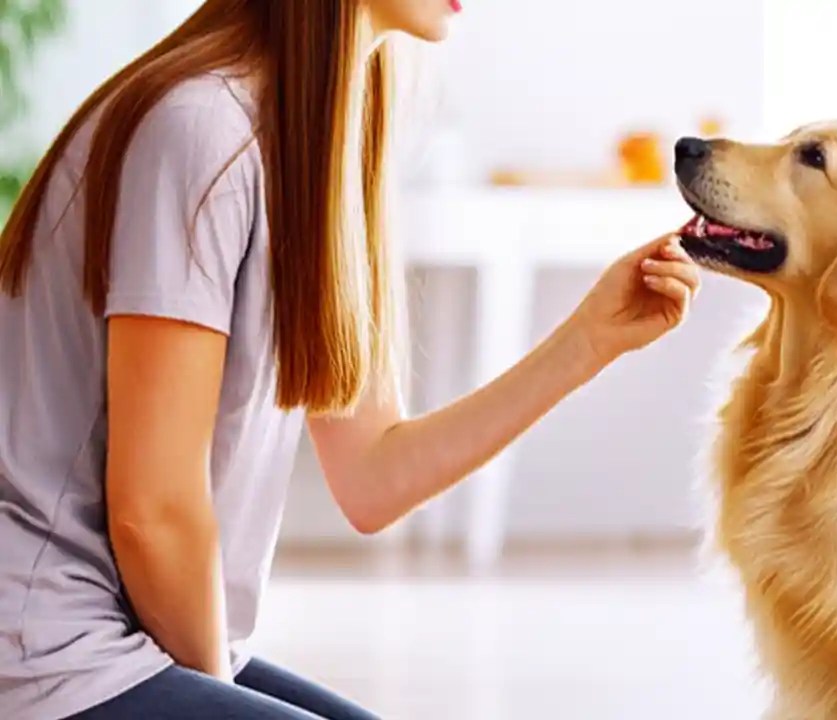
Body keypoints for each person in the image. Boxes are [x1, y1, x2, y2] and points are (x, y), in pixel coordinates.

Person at [0, 1, 701, 718]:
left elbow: (372, 474)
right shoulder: (200, 129)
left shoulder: (319, 138)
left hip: (124, 642)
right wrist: (219, 693)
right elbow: (153, 512)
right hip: (41, 650)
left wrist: (589, 339)